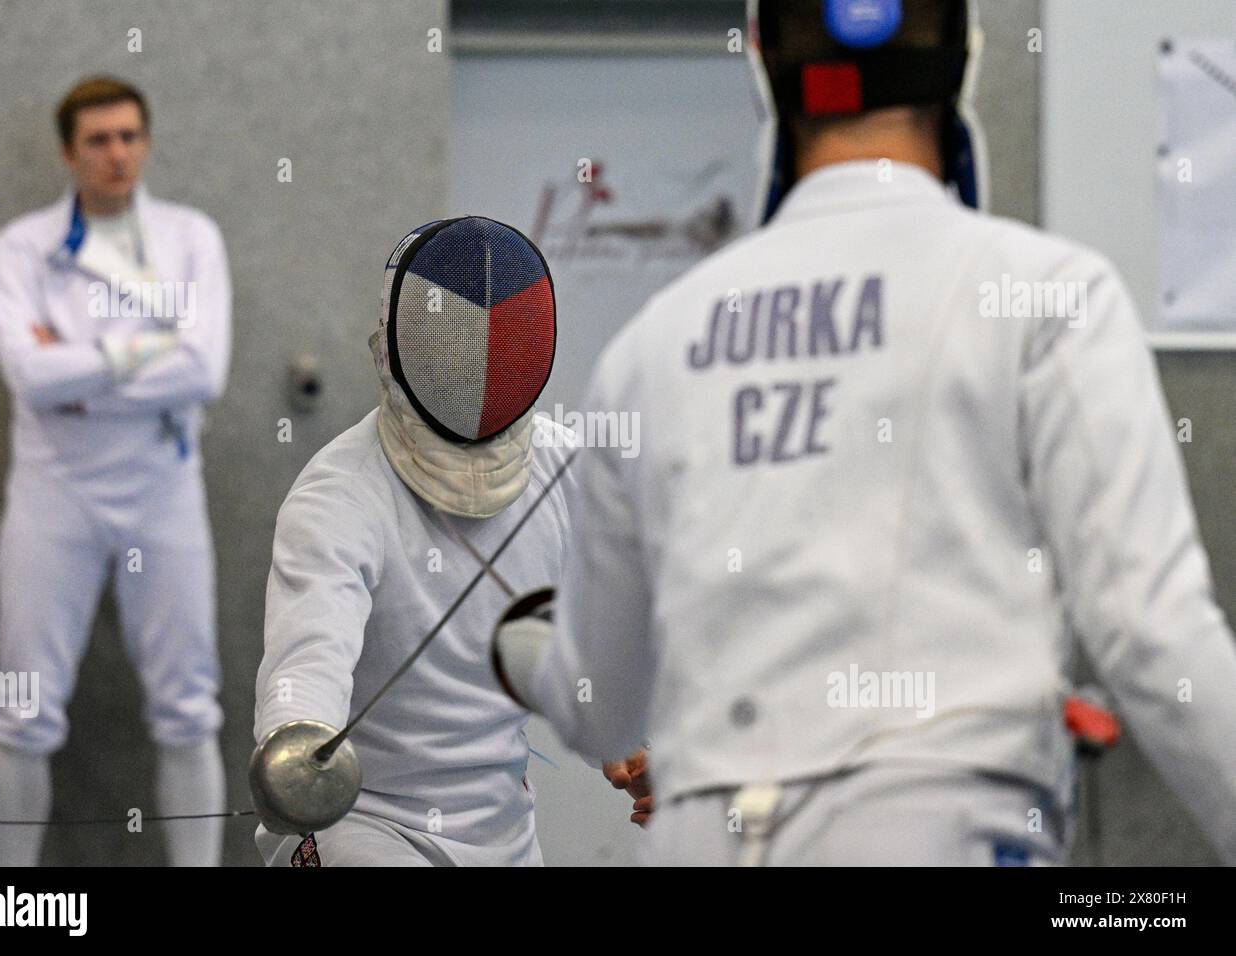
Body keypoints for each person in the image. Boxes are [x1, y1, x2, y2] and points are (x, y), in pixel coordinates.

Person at [492, 0, 1236, 865]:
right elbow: (1152, 637)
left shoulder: (656, 344)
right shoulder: (1050, 297)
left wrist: (526, 651)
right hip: (943, 828)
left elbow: (600, 706)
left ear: (767, 64)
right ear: (965, 59)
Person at [254, 217, 633, 867]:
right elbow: (307, 660)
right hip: (358, 823)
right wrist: (298, 745)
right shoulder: (338, 497)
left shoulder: (568, 474)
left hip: (504, 828)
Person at [0, 76, 231, 866]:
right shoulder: (22, 249)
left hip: (164, 491)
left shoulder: (193, 238)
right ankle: (11, 904)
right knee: (21, 712)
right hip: (54, 496)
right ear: (68, 152)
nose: (116, 153)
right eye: (98, 140)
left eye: (129, 136)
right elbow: (30, 378)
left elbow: (203, 372)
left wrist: (83, 377)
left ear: (147, 142)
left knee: (190, 709)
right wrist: (140, 353)